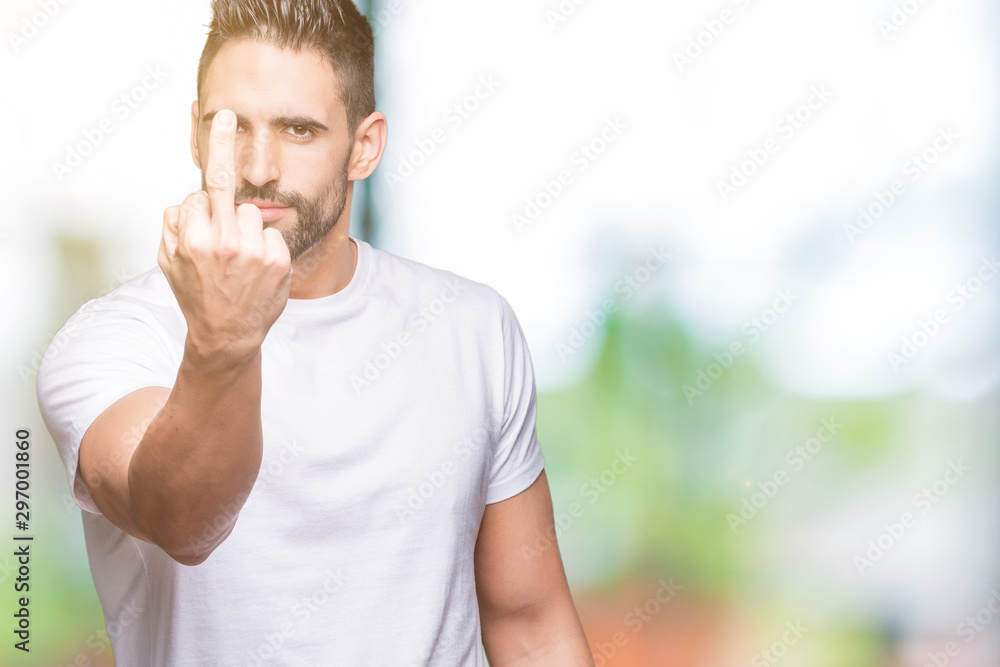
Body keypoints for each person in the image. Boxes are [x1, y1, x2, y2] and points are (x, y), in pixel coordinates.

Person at [36, 1, 595, 665]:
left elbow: (531, 626)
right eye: (229, 126)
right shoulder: (111, 340)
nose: (258, 166)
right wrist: (225, 335)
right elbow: (182, 522)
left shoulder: (474, 328)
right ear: (195, 133)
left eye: (298, 130)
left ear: (364, 146)